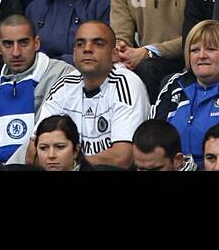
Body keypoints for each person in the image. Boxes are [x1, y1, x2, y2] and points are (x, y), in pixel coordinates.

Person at [29, 21, 150, 168]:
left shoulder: (127, 84)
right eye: (80, 44)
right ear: (74, 53)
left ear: (114, 54)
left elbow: (123, 157)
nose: (87, 49)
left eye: (98, 44)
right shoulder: (64, 85)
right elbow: (33, 153)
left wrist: (71, 164)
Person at [0, 14, 74, 162]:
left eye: (23, 43)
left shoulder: (63, 74)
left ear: (36, 43)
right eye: (8, 44)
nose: (16, 52)